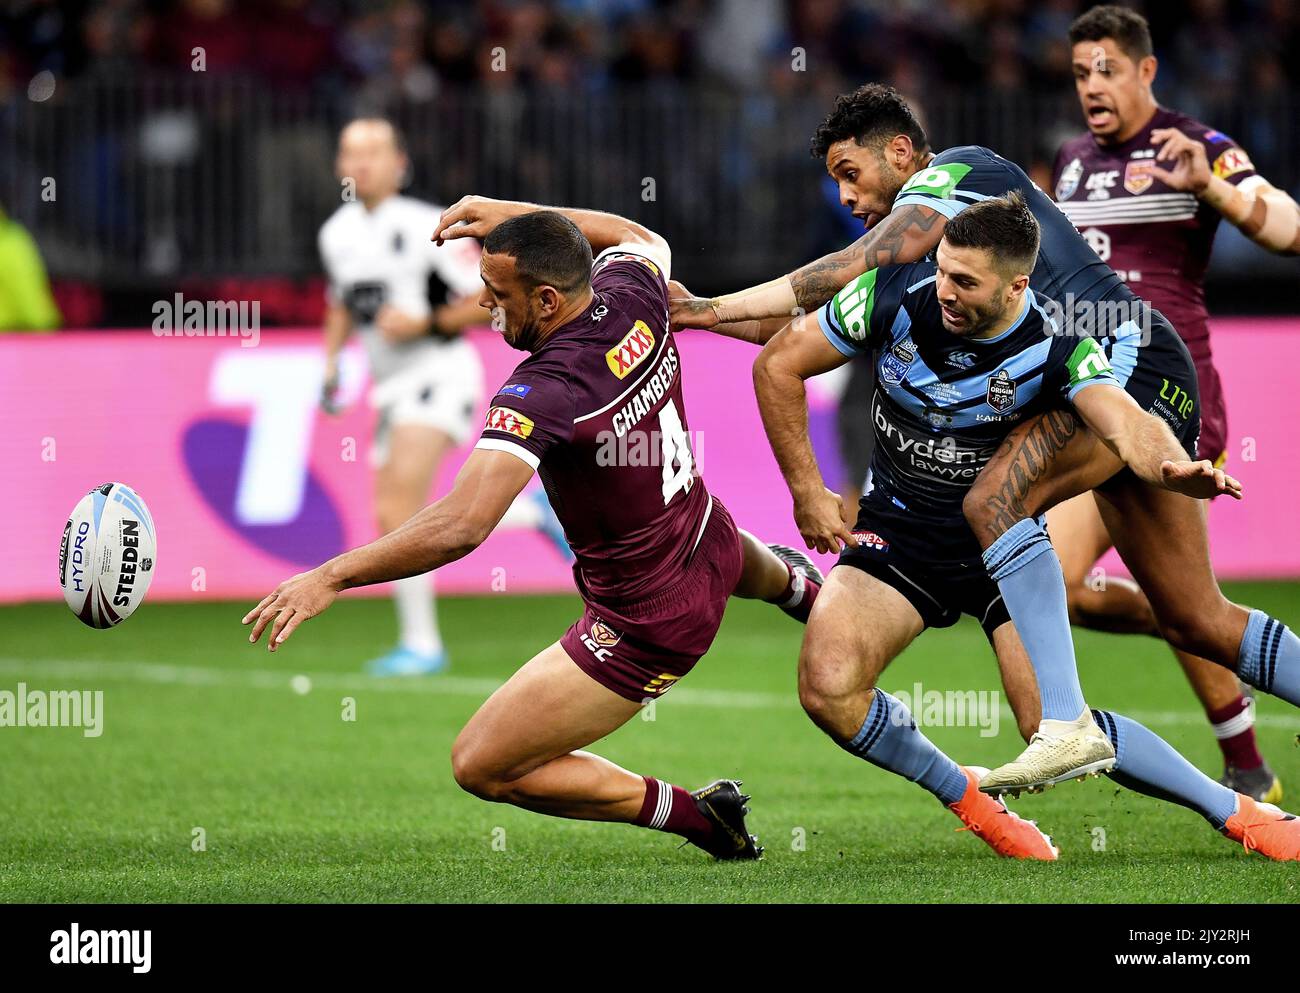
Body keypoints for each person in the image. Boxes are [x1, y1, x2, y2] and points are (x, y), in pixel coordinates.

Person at [670, 83, 1300, 795]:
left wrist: (711, 302)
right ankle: (1166, 755)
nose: (845, 197)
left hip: (1123, 363)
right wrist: (692, 315)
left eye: (851, 173)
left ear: (902, 152)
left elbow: (848, 266)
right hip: (1114, 376)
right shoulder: (927, 268)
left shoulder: (962, 174)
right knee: (1196, 619)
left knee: (995, 496)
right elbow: (796, 323)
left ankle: (1066, 727)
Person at [247, 198, 822, 859]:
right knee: (726, 551)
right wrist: (511, 211)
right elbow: (638, 234)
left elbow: (462, 525)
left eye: (498, 295)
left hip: (646, 623)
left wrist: (332, 574)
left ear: (547, 300)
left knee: (481, 763)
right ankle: (804, 593)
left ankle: (699, 817)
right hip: (710, 533)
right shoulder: (636, 292)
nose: (488, 308)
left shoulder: (544, 389)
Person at [752, 193, 1300, 860]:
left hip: (1000, 551)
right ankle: (970, 798)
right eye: (943, 269)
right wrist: (808, 490)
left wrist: (1169, 466)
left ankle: (1239, 811)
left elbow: (1123, 419)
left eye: (964, 281)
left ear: (1016, 286)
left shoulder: (1057, 346)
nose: (944, 289)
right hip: (901, 535)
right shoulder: (891, 293)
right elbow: (778, 361)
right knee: (827, 685)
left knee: (1059, 729)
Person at [1046, 4, 1300, 802]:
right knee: (1084, 591)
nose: (1093, 85)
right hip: (1094, 407)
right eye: (1082, 71)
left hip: (1168, 401)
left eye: (1108, 69)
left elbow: (1289, 227)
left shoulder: (1195, 147)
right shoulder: (1071, 166)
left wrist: (1214, 192)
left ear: (1146, 70)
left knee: (1191, 609)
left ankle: (1246, 763)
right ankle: (1248, 764)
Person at [318, 118, 569, 677]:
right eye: (351, 153)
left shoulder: (426, 227)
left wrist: (424, 324)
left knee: (402, 509)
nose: (361, 164)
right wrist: (333, 361)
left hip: (439, 373)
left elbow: (488, 294)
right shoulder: (335, 233)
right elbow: (340, 303)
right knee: (392, 518)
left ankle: (424, 646)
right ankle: (532, 514)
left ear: (399, 163)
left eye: (375, 152)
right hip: (389, 388)